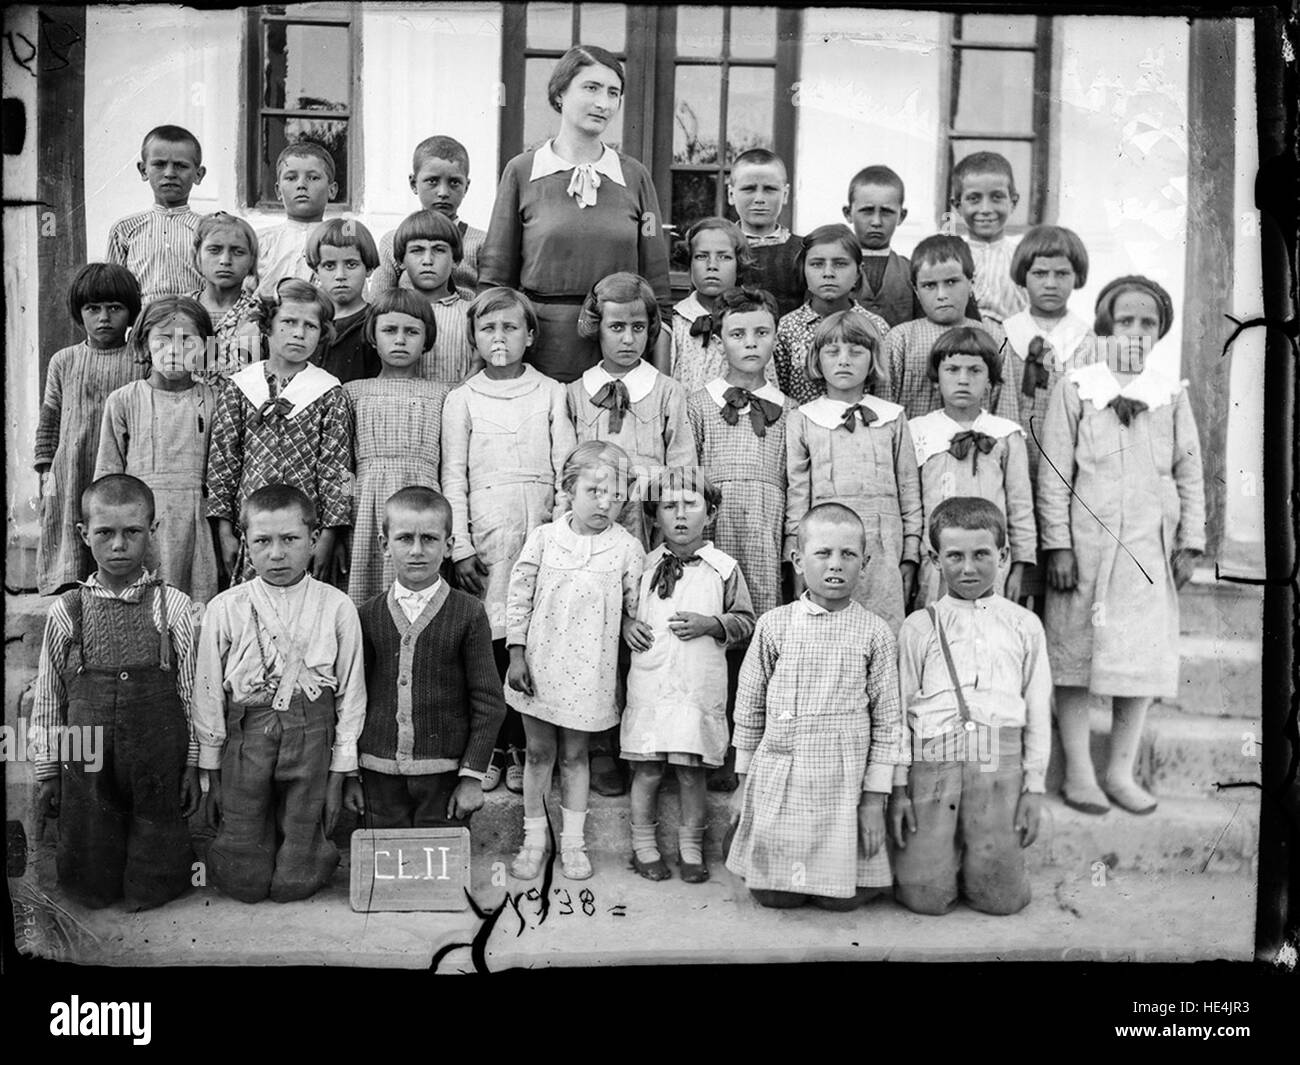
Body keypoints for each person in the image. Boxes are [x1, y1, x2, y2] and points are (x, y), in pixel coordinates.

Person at [1039, 274, 1204, 817]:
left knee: (1138, 659)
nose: (1135, 331)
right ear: (1106, 326)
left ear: (1160, 332)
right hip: (1088, 546)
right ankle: (1081, 772)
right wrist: (1057, 545)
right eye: (1124, 321)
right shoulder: (1077, 387)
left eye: (1147, 323)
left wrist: (1191, 542)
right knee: (1075, 654)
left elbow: (1188, 471)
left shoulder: (1169, 393)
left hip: (1148, 548)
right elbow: (1055, 470)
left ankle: (1120, 771)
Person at [31, 474, 201, 910]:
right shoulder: (67, 610)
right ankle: (93, 888)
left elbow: (190, 695)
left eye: (132, 532)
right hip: (85, 756)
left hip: (158, 755)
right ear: (84, 534)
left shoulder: (175, 606)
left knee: (158, 836)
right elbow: (50, 697)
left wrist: (193, 766)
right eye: (105, 533)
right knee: (89, 836)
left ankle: (153, 888)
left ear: (153, 531)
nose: (119, 545)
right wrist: (48, 769)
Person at [192, 484, 366, 903]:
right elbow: (209, 691)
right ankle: (246, 854)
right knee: (242, 877)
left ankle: (301, 859)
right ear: (245, 544)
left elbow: (352, 691)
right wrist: (211, 769)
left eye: (290, 539)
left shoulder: (337, 606)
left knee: (297, 877)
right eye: (263, 541)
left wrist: (340, 770)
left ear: (313, 538)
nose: (277, 553)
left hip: (312, 736)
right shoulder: (225, 607)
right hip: (246, 737)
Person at [725, 503, 902, 910]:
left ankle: (842, 877)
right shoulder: (774, 624)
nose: (835, 565)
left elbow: (889, 722)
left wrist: (874, 802)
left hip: (844, 781)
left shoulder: (874, 632)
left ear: (865, 563)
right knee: (773, 897)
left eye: (848, 554)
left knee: (841, 901)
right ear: (798, 560)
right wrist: (742, 782)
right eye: (823, 553)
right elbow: (749, 708)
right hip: (783, 775)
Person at [889, 496, 1048, 916]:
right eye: (954, 556)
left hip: (1000, 761)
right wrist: (900, 788)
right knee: (925, 899)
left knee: (1003, 901)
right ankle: (942, 859)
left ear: (1005, 554)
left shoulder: (1023, 625)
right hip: (932, 761)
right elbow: (900, 709)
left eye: (982, 554)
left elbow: (1036, 706)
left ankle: (986, 864)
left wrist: (1034, 787)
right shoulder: (918, 626)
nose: (969, 568)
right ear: (933, 559)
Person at [479, 44, 671, 382]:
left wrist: (659, 380)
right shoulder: (522, 172)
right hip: (540, 348)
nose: (603, 103)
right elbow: (495, 280)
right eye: (591, 88)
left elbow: (656, 285)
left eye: (614, 93)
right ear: (560, 93)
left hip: (616, 347)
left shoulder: (635, 176)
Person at [504, 441, 645, 880]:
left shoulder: (626, 548)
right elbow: (519, 597)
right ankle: (534, 840)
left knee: (575, 757)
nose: (606, 503)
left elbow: (632, 605)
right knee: (539, 753)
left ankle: (574, 843)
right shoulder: (545, 539)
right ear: (569, 488)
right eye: (594, 491)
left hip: (590, 671)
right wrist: (516, 652)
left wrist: (624, 625)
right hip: (541, 667)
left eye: (616, 495)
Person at [622, 468, 755, 883]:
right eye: (668, 506)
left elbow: (746, 622)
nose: (680, 515)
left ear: (710, 514)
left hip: (696, 685)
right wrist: (627, 626)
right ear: (654, 516)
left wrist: (712, 624)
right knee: (647, 769)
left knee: (690, 770)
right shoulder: (641, 566)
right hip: (652, 683)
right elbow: (621, 614)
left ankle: (691, 849)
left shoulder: (724, 568)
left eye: (690, 505)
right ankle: (644, 846)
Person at [346, 487, 506, 829]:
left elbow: (489, 701)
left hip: (444, 777)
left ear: (448, 546)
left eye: (430, 539)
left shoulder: (469, 613)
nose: (417, 550)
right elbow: (353, 698)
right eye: (404, 538)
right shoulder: (366, 616)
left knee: (439, 870)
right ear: (384, 545)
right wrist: (350, 773)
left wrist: (472, 776)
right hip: (378, 775)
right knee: (385, 872)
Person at [686, 285, 788, 790]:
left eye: (761, 333)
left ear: (775, 338)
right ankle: (707, 743)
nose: (750, 343)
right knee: (716, 627)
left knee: (759, 630)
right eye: (737, 333)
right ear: (719, 340)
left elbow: (795, 476)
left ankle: (746, 745)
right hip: (717, 529)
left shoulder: (787, 408)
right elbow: (689, 475)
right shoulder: (699, 403)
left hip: (765, 530)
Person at [205, 279, 352, 584]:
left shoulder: (328, 392)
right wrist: (224, 530)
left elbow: (336, 469)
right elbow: (223, 463)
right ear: (267, 325)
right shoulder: (239, 387)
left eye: (310, 326)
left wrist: (328, 535)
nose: (299, 333)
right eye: (288, 322)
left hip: (305, 529)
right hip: (252, 527)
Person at [785, 310, 921, 635]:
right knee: (825, 631)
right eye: (833, 352)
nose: (844, 360)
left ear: (873, 358)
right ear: (818, 360)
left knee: (882, 631)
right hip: (824, 545)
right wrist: (796, 562)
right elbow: (797, 493)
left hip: (884, 547)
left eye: (856, 351)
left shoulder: (892, 418)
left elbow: (909, 489)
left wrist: (911, 555)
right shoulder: (803, 418)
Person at [95, 295, 221, 604]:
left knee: (195, 610)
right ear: (143, 344)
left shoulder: (215, 400)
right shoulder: (123, 401)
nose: (176, 350)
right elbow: (107, 478)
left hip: (198, 523)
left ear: (206, 347)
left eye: (188, 340)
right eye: (164, 339)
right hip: (141, 525)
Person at [35, 263, 146, 594]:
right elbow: (51, 416)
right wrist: (44, 470)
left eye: (115, 308)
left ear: (131, 312)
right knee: (67, 520)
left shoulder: (140, 359)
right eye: (92, 308)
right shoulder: (63, 360)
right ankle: (67, 581)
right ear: (78, 312)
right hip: (72, 464)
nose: (104, 318)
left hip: (118, 463)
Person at [905, 325, 1036, 607]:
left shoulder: (1005, 434)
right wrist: (911, 559)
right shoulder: (918, 431)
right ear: (936, 378)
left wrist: (1020, 566)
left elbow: (1020, 505)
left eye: (975, 371)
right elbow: (911, 504)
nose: (963, 379)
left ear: (990, 380)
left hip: (992, 559)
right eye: (952, 369)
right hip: (937, 559)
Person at [566, 271, 697, 550]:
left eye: (637, 327)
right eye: (616, 327)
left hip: (648, 515)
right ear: (597, 327)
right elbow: (567, 466)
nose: (628, 339)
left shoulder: (667, 391)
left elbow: (682, 465)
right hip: (592, 512)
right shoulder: (576, 393)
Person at [344, 290, 449, 603]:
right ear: (373, 337)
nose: (400, 340)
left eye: (412, 332)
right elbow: (343, 467)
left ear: (427, 340)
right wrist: (347, 511)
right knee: (369, 594)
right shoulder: (352, 393)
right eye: (390, 330)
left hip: (425, 500)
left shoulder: (443, 395)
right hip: (366, 506)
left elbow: (450, 465)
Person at [886, 234, 1016, 423]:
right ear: (916, 290)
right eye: (929, 285)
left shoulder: (994, 338)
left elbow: (1005, 407)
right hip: (914, 446)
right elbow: (884, 407)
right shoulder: (901, 339)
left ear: (972, 283)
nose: (941, 295)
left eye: (951, 282)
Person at [1001, 225, 1095, 488]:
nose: (1051, 284)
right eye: (1040, 273)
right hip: (1011, 466)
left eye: (1062, 274)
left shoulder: (1088, 344)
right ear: (1023, 276)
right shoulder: (1004, 336)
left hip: (1067, 470)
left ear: (1076, 277)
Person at [772, 224, 891, 405]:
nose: (828, 273)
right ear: (803, 269)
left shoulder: (875, 326)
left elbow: (883, 391)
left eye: (840, 264)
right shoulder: (788, 327)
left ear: (859, 271)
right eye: (817, 264)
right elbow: (779, 392)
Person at [373, 135, 485, 301]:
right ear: (413, 183)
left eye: (454, 182)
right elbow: (379, 301)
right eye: (432, 181)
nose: (443, 193)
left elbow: (490, 304)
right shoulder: (394, 241)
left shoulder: (481, 243)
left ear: (466, 187)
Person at [666, 217, 771, 392]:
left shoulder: (756, 318)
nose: (712, 265)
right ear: (689, 262)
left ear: (739, 264)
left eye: (724, 257)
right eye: (701, 256)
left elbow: (768, 384)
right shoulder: (676, 321)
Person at [106, 124, 206, 301]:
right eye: (159, 164)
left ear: (198, 174)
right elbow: (114, 293)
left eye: (181, 166)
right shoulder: (124, 230)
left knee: (179, 331)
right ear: (144, 170)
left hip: (193, 324)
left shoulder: (209, 230)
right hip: (145, 323)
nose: (169, 173)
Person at [395, 208, 479, 382]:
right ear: (401, 260)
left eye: (439, 250)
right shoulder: (391, 313)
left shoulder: (471, 314)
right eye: (417, 250)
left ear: (456, 260)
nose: (427, 260)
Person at [951, 150, 1028, 326]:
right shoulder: (949, 255)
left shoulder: (1023, 256)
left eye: (997, 197)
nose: (985, 209)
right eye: (974, 199)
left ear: (1013, 202)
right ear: (958, 206)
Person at [256, 141, 338, 298]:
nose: (301, 185)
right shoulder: (260, 242)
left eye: (313, 178)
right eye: (291, 178)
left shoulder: (341, 241)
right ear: (278, 191)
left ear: (332, 190)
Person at [727, 148, 803, 317]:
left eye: (769, 189)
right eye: (749, 189)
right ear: (731, 194)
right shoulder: (720, 248)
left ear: (785, 194)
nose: (759, 199)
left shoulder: (803, 250)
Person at [189, 211, 263, 385]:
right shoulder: (179, 311)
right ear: (197, 255)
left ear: (251, 260)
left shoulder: (261, 315)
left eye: (238, 252)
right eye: (214, 250)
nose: (225, 260)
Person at [307, 217, 382, 383]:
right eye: (329, 266)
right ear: (316, 271)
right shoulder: (307, 322)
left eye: (351, 264)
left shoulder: (376, 324)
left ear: (368, 268)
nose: (340, 275)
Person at [843, 164, 917, 327]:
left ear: (901, 216)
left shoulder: (912, 271)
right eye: (867, 211)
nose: (876, 222)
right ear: (848, 213)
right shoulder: (833, 268)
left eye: (886, 212)